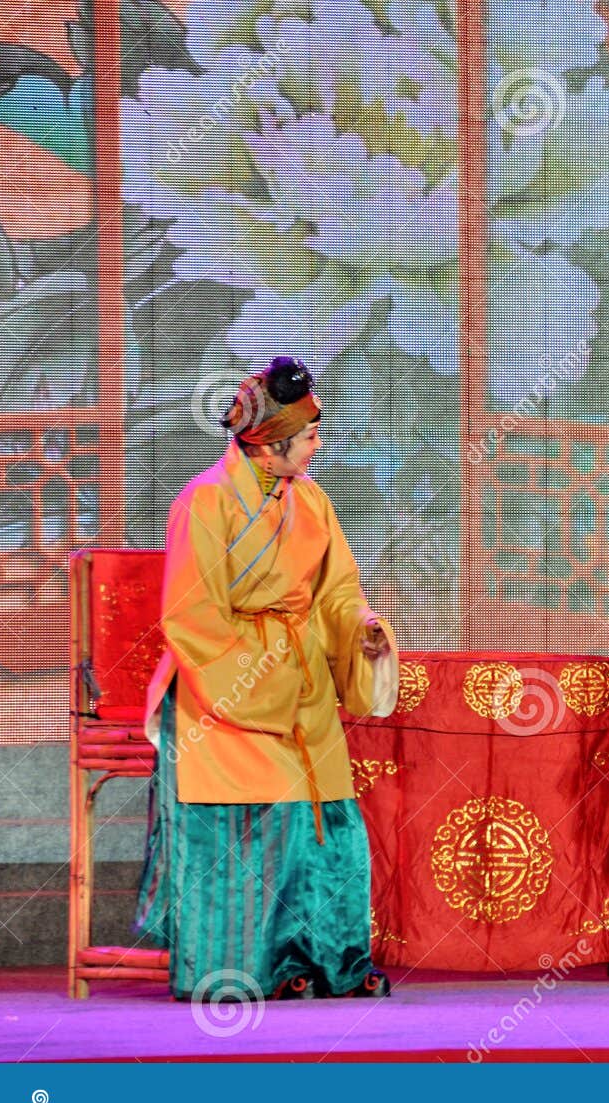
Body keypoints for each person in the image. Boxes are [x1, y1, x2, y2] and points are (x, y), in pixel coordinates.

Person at [135, 356, 399, 1001]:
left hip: (301, 674)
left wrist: (360, 630)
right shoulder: (205, 502)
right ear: (275, 442)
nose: (318, 444)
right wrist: (257, 678)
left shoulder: (312, 501)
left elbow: (337, 592)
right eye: (309, 434)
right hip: (222, 689)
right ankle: (238, 969)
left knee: (331, 822)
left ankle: (323, 959)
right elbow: (191, 615)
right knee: (259, 819)